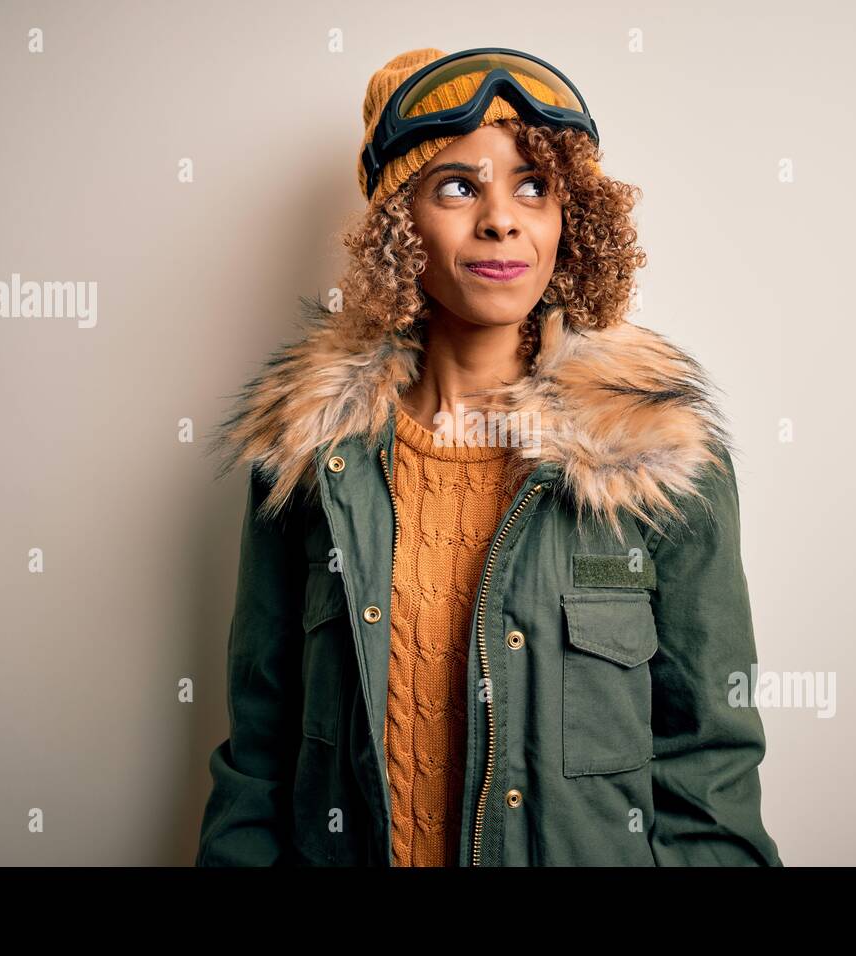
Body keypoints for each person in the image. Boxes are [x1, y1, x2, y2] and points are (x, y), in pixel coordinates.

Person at [195, 47, 782, 867]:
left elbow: (710, 766)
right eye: (459, 186)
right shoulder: (309, 461)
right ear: (403, 225)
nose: (501, 219)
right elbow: (259, 758)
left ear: (570, 219)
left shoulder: (656, 458)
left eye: (534, 185)